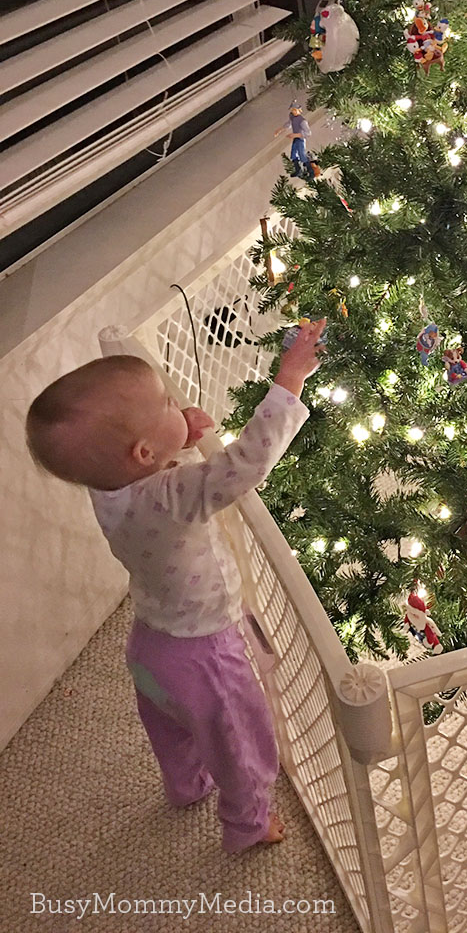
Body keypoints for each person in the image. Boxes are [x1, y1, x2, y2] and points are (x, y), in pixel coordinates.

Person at [25, 320, 326, 853]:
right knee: (240, 743)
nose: (177, 403)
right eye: (167, 402)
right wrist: (290, 379)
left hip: (150, 645)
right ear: (142, 455)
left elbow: (144, 466)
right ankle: (247, 825)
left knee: (175, 732)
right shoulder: (171, 494)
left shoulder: (108, 487)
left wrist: (172, 436)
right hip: (205, 653)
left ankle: (185, 786)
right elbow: (244, 464)